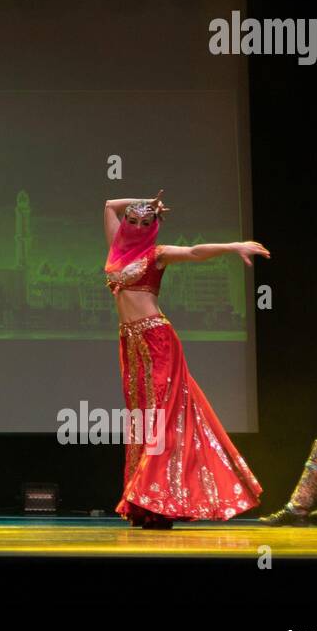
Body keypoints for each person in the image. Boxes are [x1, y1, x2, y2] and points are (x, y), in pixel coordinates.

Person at [104, 191, 265, 528]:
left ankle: (162, 501)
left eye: (145, 222)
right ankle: (143, 504)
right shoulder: (116, 252)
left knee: (164, 420)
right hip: (131, 345)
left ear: (153, 228)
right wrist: (146, 200)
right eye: (132, 220)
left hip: (156, 339)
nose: (135, 225)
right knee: (142, 422)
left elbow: (194, 252)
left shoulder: (156, 254)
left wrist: (234, 247)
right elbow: (109, 205)